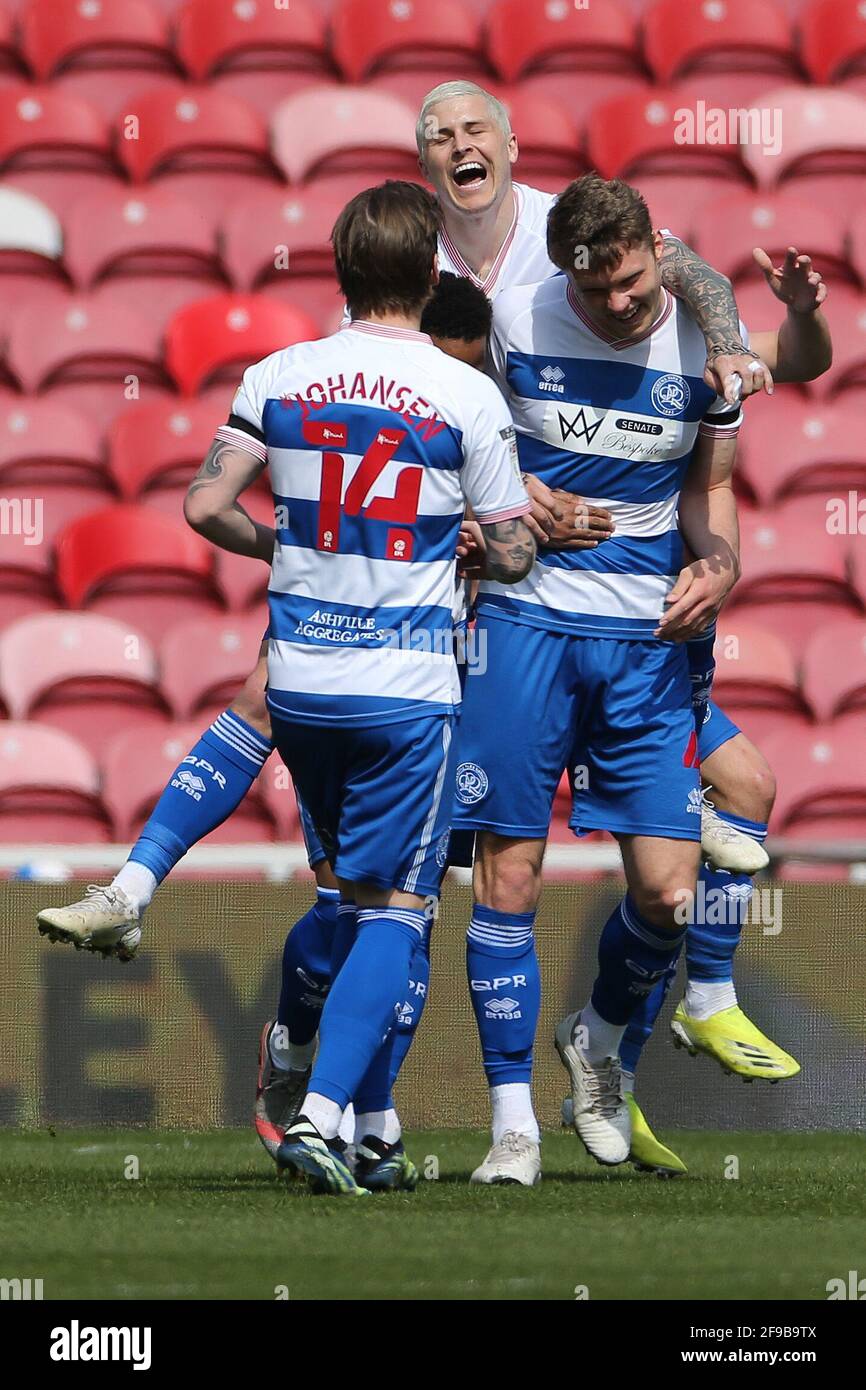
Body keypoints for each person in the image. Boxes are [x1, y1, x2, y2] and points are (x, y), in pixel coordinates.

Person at [36, 83, 782, 959]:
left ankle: (666, 994)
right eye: (439, 136)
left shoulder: (563, 238)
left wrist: (734, 335)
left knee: (710, 802)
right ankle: (145, 892)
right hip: (460, 536)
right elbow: (391, 409)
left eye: (475, 130)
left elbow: (678, 269)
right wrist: (498, 504)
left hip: (556, 580)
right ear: (423, 160)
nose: (461, 146)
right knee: (281, 709)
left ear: (509, 144)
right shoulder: (407, 255)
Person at [183, 182, 536, 1196]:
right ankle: (324, 1116)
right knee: (399, 909)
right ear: (433, 275)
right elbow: (509, 554)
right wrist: (470, 539)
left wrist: (287, 546)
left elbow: (206, 505)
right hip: (404, 685)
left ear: (339, 270)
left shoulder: (279, 371)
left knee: (342, 894)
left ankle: (362, 1121)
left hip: (297, 686)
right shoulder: (463, 392)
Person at [452, 172, 745, 1186]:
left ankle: (598, 1040)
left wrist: (719, 563)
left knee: (669, 896)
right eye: (593, 290)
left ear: (652, 251)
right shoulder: (511, 319)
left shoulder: (705, 344)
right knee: (509, 877)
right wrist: (514, 498)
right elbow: (455, 441)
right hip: (523, 628)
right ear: (561, 272)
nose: (614, 304)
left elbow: (711, 493)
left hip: (643, 649)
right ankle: (512, 1127)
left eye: (626, 282)